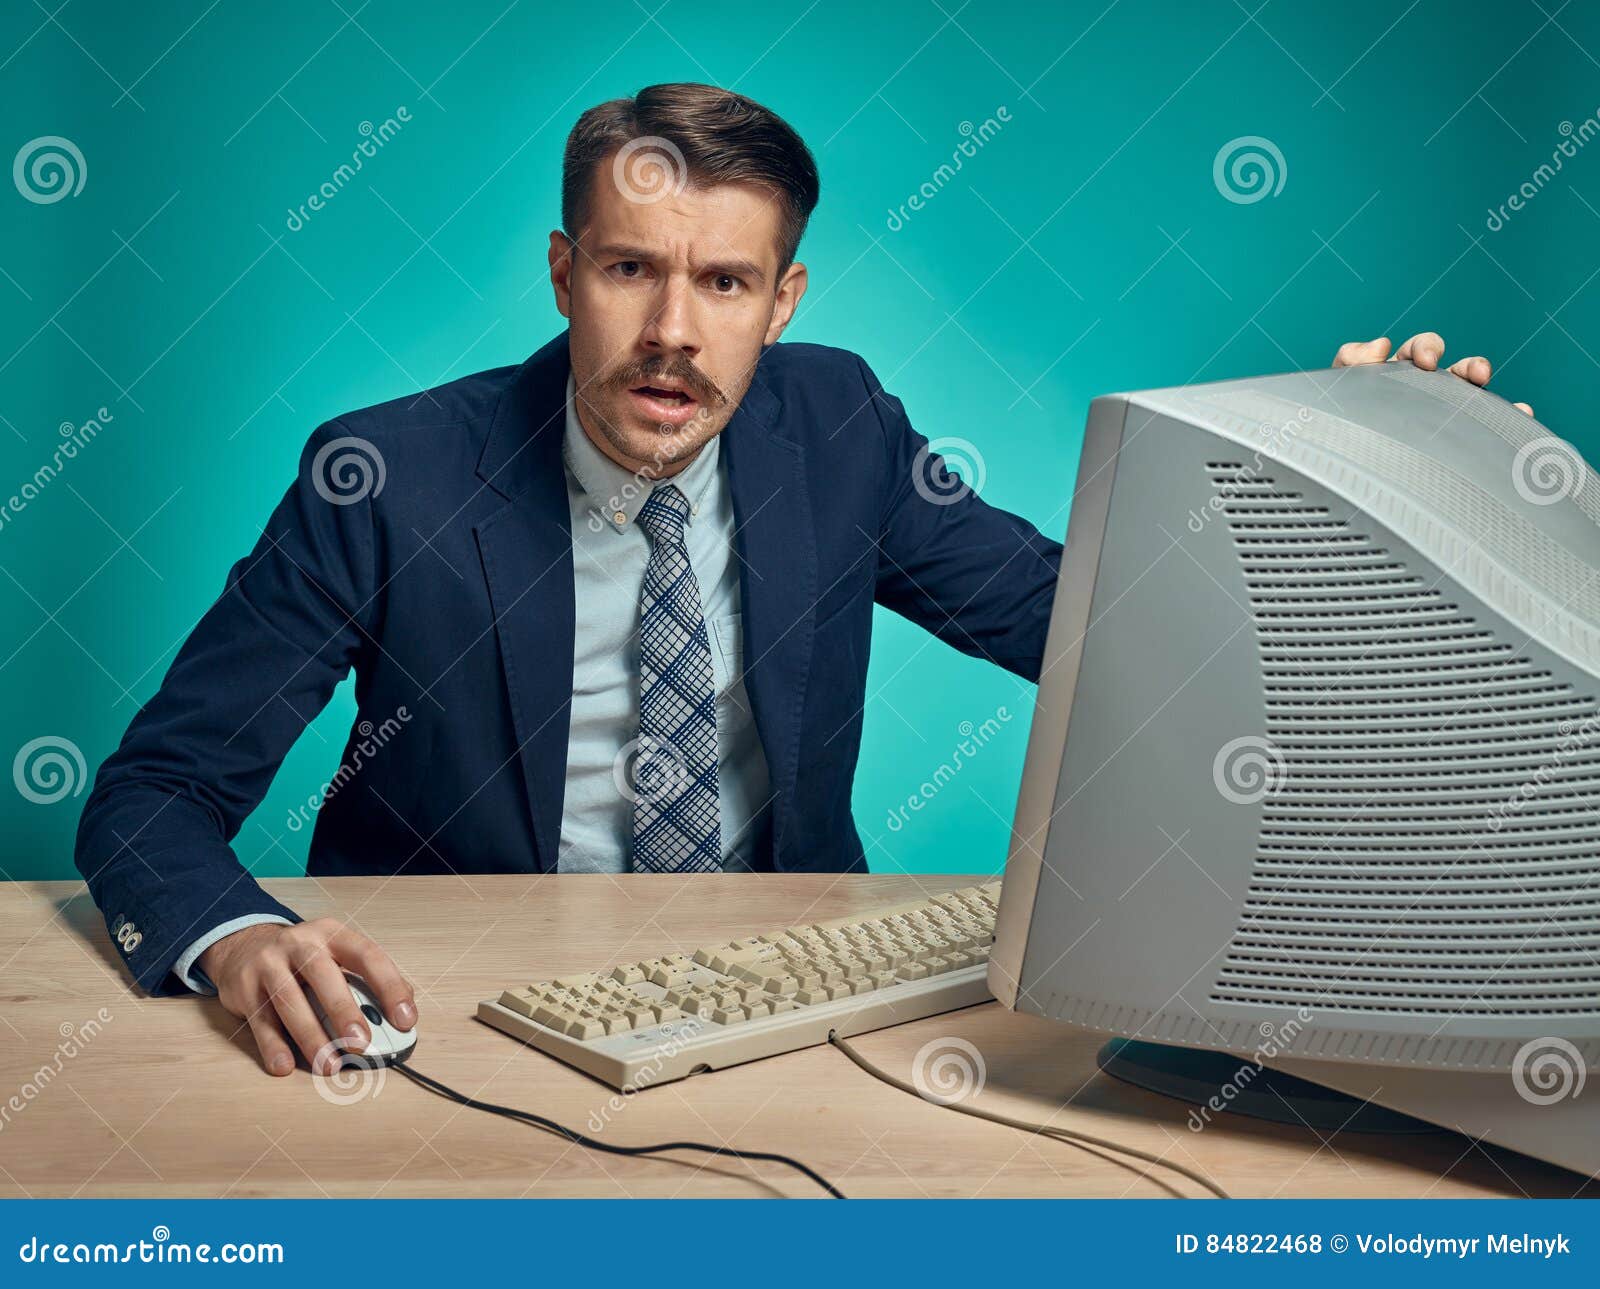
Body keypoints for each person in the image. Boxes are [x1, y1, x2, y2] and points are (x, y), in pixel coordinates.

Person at [74, 82, 1533, 1076]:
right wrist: (237, 936)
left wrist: (1376, 480)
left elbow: (1109, 630)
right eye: (632, 269)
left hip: (785, 1007)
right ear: (562, 271)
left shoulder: (838, 428)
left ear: (784, 302)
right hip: (453, 1021)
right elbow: (151, 794)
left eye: (723, 285)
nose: (671, 332)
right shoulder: (384, 477)